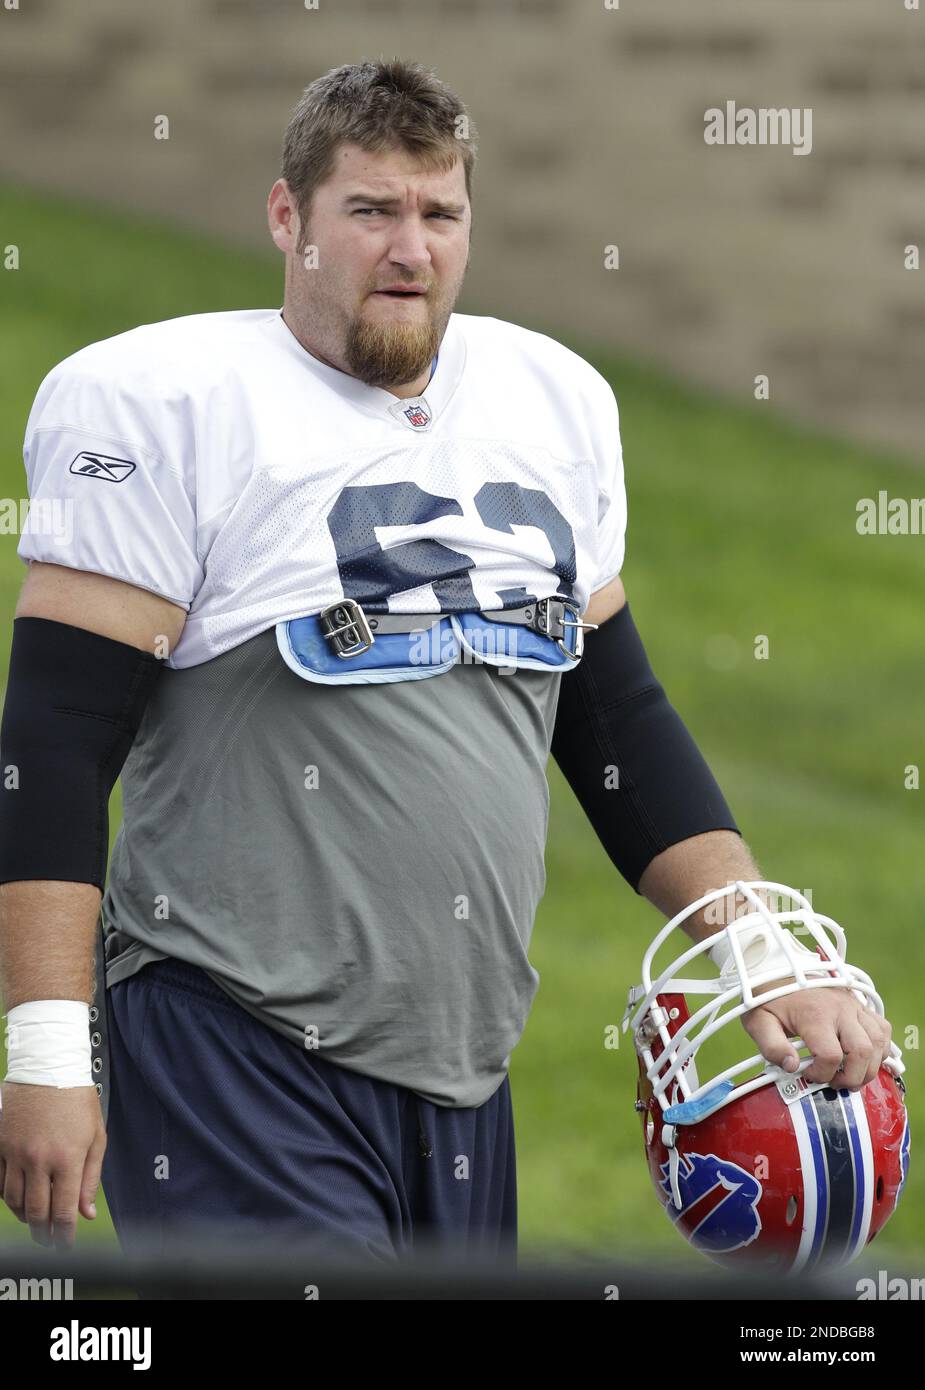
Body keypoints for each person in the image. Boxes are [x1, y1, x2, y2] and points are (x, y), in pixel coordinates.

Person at [0, 59, 893, 1268]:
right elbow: (53, 741)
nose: (408, 248)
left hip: (459, 1073)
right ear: (287, 220)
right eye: (368, 211)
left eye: (438, 213)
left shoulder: (552, 398)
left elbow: (615, 721)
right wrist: (47, 1053)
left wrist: (754, 943)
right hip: (231, 1041)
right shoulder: (166, 404)